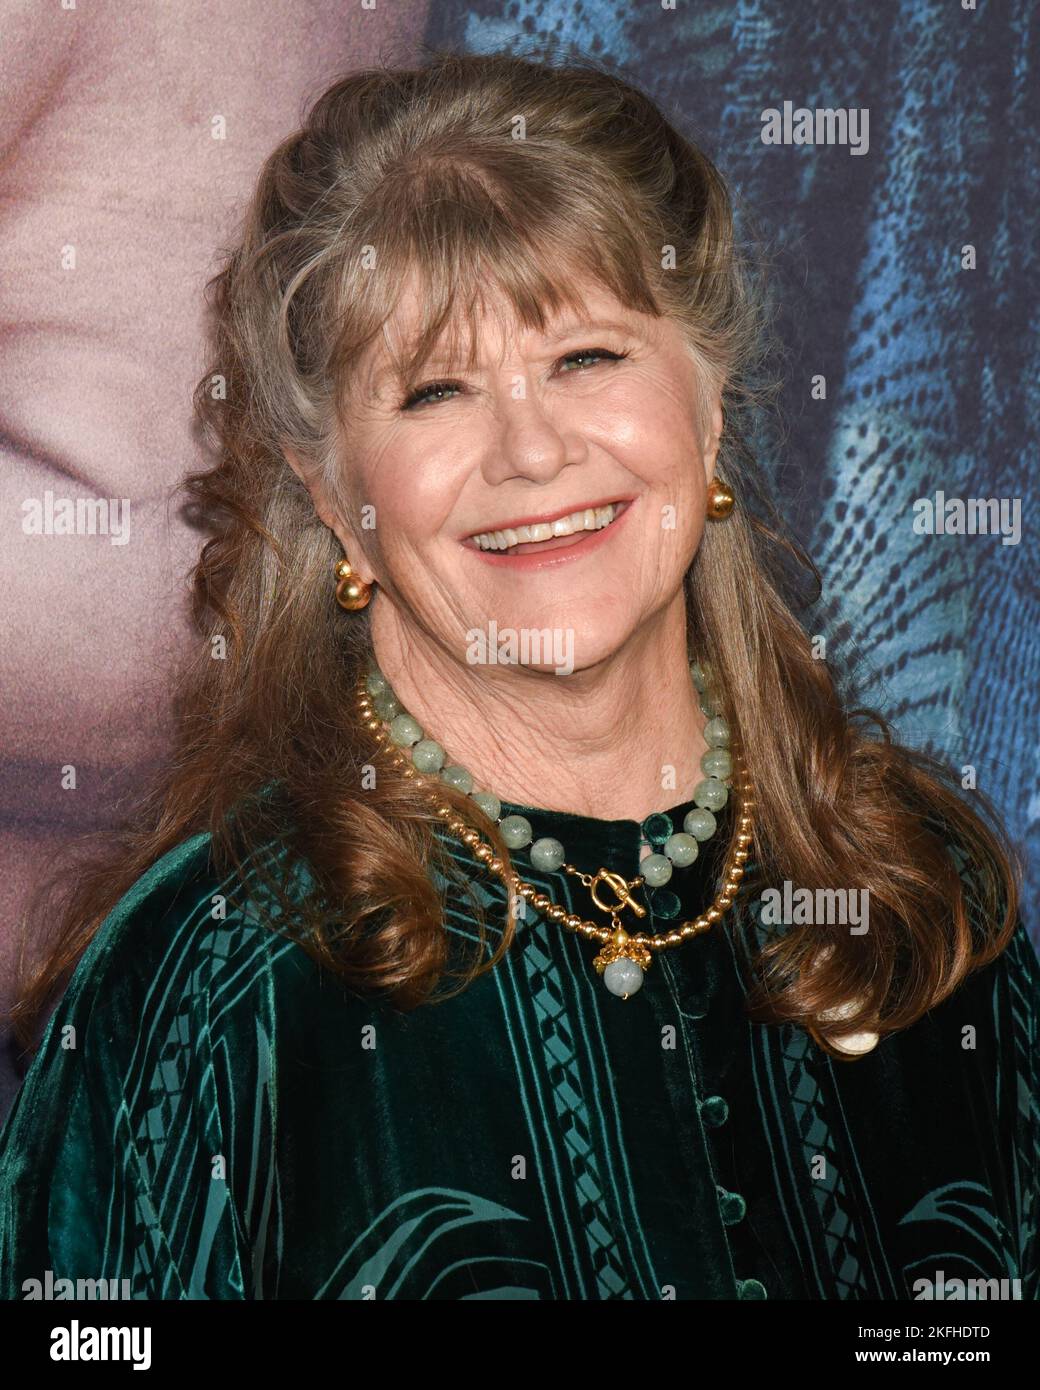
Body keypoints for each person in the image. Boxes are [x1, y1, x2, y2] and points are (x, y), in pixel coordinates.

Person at [0, 48, 1036, 1302]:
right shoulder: (217, 985)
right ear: (332, 495)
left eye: (586, 359)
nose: (532, 450)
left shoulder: (921, 893)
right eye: (435, 390)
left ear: (707, 408)